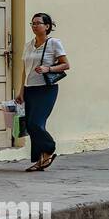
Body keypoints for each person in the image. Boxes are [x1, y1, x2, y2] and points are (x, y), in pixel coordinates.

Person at [15, 12, 69, 171]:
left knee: (35, 123)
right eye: (32, 23)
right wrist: (21, 91)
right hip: (30, 89)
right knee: (31, 126)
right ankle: (41, 160)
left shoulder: (54, 43)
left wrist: (48, 68)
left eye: (38, 23)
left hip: (46, 89)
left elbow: (66, 65)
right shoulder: (28, 45)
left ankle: (49, 148)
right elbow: (25, 70)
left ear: (47, 26)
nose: (34, 26)